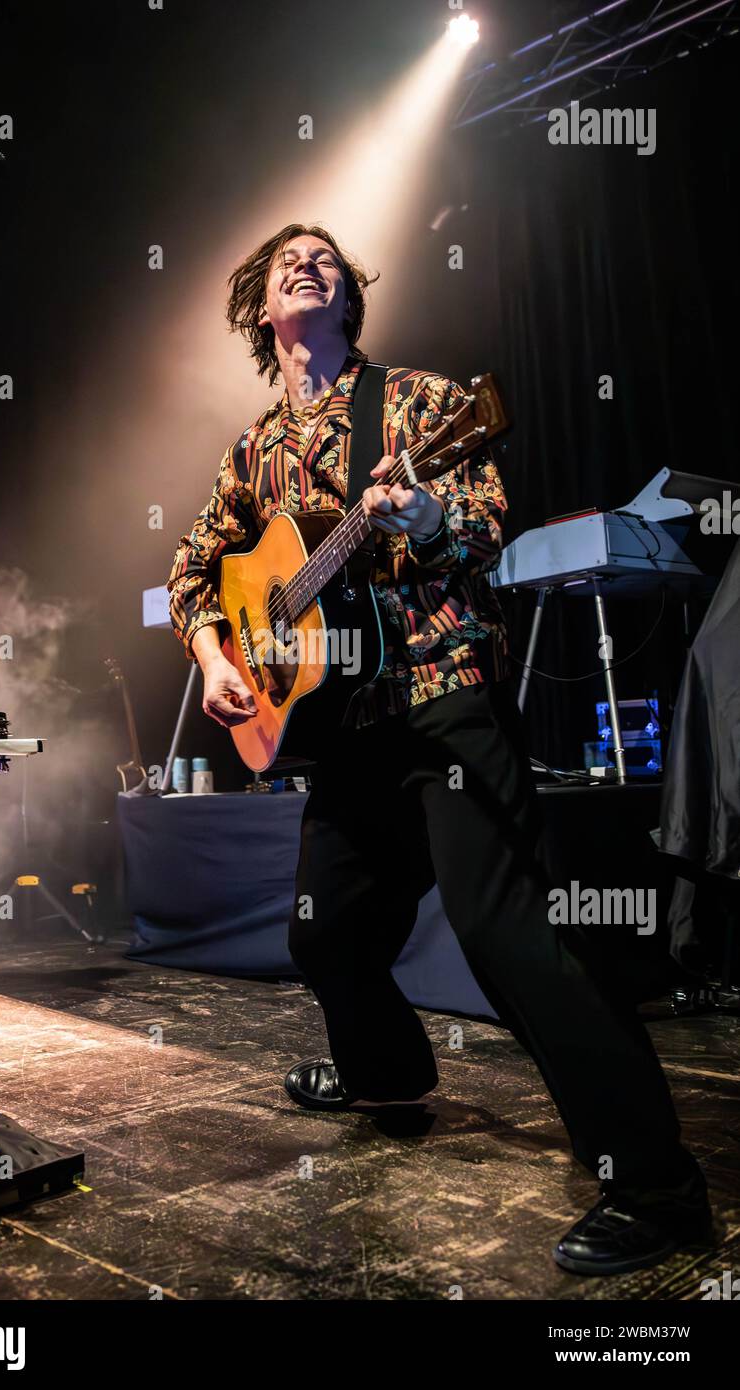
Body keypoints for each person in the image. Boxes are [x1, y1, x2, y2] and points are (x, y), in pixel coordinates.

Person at [167, 221, 712, 1276]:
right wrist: (210, 654)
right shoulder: (250, 450)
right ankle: (384, 1076)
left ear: (346, 297)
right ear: (259, 309)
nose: (305, 260)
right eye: (286, 257)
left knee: (504, 934)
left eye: (324, 253)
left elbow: (485, 522)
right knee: (323, 936)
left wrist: (418, 517)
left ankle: (655, 1183)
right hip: (341, 727)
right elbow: (193, 569)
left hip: (440, 695)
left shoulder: (418, 403)